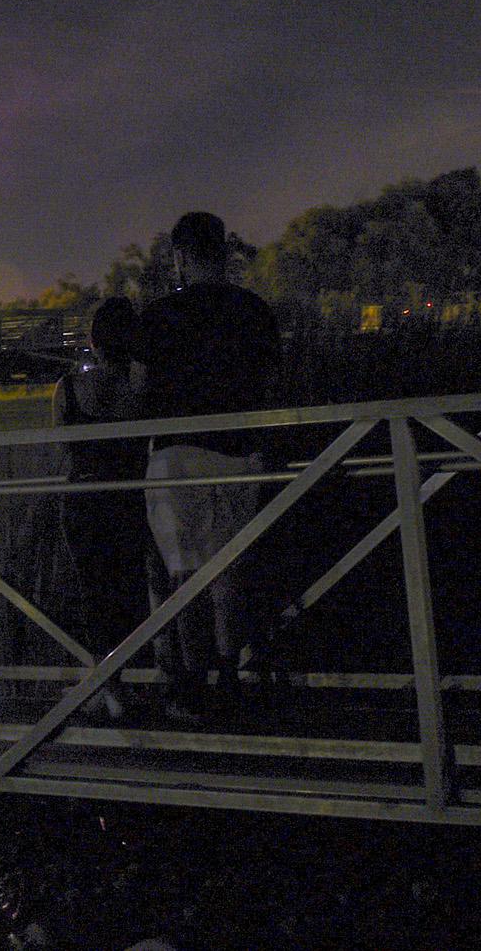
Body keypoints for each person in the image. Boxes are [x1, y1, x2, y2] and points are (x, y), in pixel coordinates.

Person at [137, 211, 280, 722]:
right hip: (239, 454)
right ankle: (233, 672)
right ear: (223, 251)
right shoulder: (254, 311)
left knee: (184, 574)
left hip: (177, 459)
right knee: (232, 572)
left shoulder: (156, 318)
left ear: (179, 257)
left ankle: (192, 684)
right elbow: (270, 384)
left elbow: (141, 390)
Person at [53, 296, 153, 721]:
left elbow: (62, 444)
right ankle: (129, 679)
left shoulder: (68, 388)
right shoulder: (140, 388)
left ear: (93, 340)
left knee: (91, 595)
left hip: (82, 499)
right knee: (131, 592)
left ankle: (107, 684)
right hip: (130, 500)